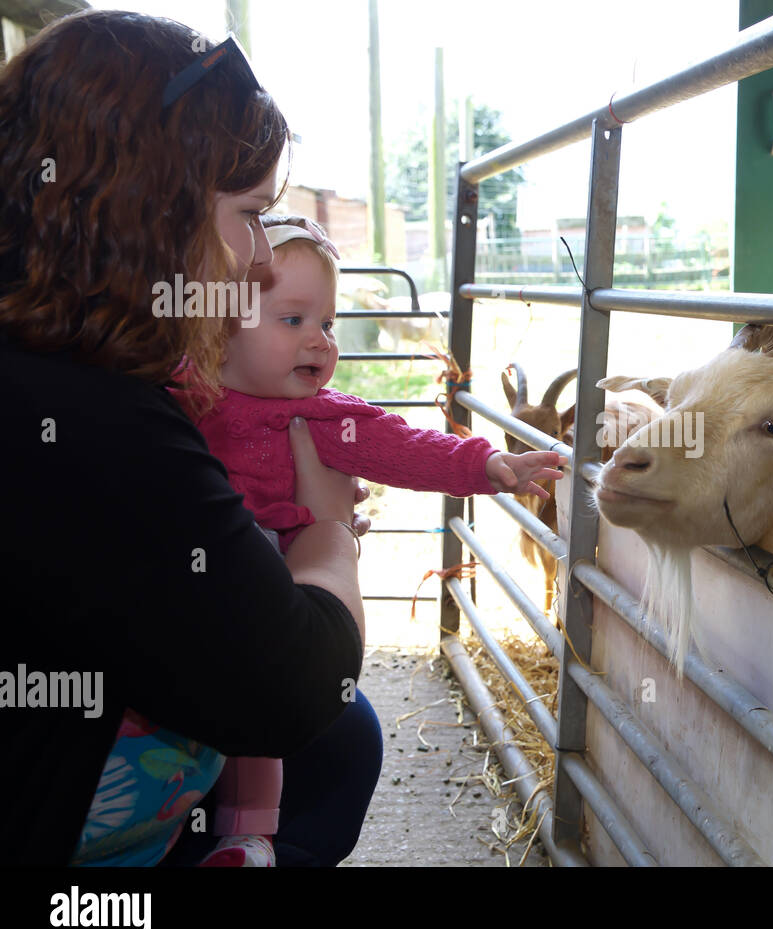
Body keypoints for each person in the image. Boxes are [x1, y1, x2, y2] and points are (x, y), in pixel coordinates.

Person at [0, 10, 383, 866]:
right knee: (340, 734)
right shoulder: (91, 423)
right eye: (250, 214)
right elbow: (296, 687)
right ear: (154, 210)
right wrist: (328, 532)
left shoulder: (49, 363)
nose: (257, 260)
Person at [182, 224, 565, 865]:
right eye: (293, 318)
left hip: (272, 597)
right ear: (220, 326)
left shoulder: (324, 418)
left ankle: (247, 834)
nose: (319, 340)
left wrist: (486, 464)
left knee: (258, 708)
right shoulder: (183, 399)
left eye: (328, 323)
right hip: (192, 593)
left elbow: (402, 446)